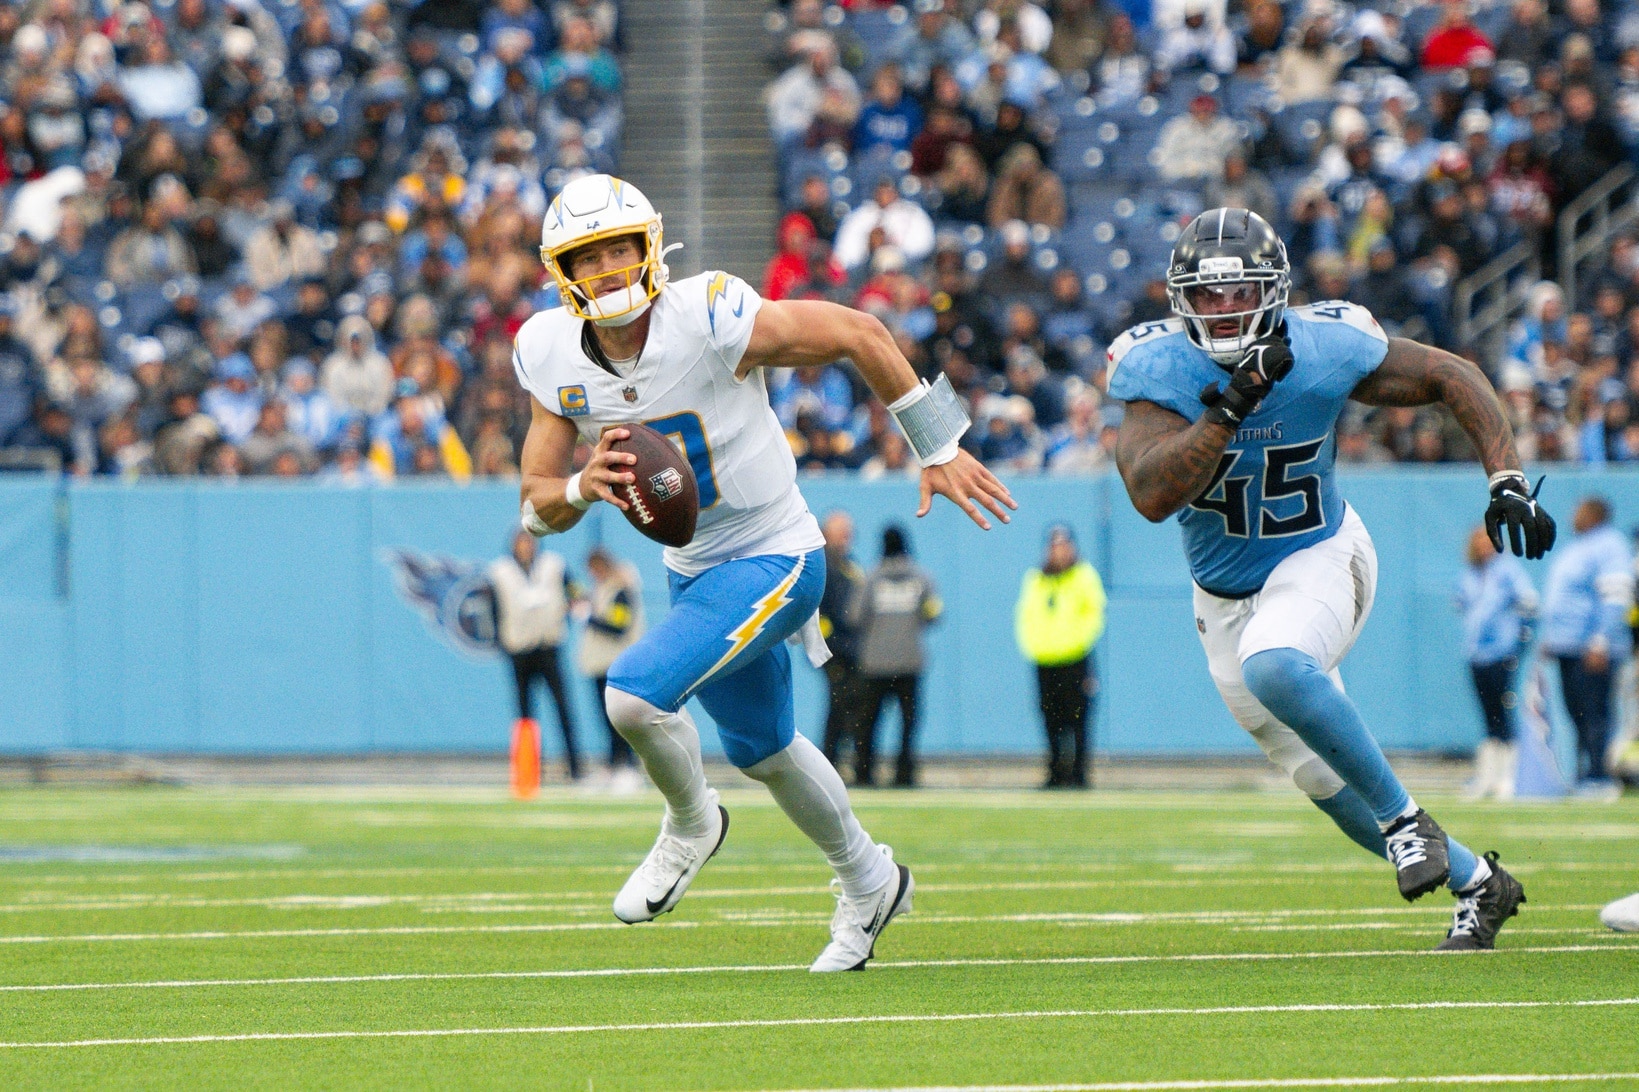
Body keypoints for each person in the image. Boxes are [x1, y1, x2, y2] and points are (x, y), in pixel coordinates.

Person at [514, 174, 1013, 970]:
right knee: (764, 749)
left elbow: (858, 331)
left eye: (619, 248)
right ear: (561, 270)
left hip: (779, 551)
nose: (609, 268)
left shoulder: (708, 312)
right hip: (693, 569)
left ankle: (690, 823)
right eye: (589, 255)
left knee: (634, 696)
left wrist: (939, 444)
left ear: (649, 248)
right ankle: (869, 879)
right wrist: (582, 485)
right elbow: (536, 503)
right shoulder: (546, 352)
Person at [1106, 207, 1556, 951]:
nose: (1223, 309)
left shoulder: (1322, 346)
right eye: (1206, 294)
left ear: (1274, 290)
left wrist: (1504, 475)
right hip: (1218, 599)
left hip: (1319, 554)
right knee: (1325, 784)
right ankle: (1480, 884)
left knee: (1275, 664)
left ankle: (1407, 823)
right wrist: (1234, 404)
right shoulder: (1156, 368)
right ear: (1178, 299)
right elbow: (1152, 495)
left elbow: (1451, 373)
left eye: (1239, 290)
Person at [1541, 496, 1634, 794]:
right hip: (1567, 645)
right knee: (1576, 711)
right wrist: (1552, 637)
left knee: (1594, 711)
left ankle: (1599, 775)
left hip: (1592, 647)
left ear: (1594, 514)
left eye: (1578, 510)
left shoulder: (1610, 545)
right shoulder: (1576, 547)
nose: (1573, 515)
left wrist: (1601, 641)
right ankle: (1584, 772)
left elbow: (1616, 596)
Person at [849, 525, 941, 788]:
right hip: (909, 661)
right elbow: (933, 613)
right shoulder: (922, 578)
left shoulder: (870, 578)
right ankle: (904, 773)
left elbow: (855, 615)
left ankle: (864, 773)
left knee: (869, 723)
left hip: (874, 662)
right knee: (908, 723)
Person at [1016, 525, 1107, 789]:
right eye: (1055, 546)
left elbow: (1093, 613)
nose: (1059, 552)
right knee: (1050, 719)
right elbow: (1026, 614)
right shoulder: (1036, 579)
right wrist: (1033, 645)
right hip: (1044, 659)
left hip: (1076, 659)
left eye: (1064, 546)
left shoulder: (1083, 576)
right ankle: (1055, 772)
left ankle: (1079, 774)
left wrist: (1076, 641)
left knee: (1078, 719)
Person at [489, 529, 581, 782]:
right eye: (521, 543)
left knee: (563, 707)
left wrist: (566, 620)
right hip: (519, 649)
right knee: (524, 713)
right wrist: (502, 642)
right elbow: (493, 609)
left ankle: (575, 767)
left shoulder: (554, 565)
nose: (525, 548)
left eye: (529, 543)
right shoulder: (500, 571)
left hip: (549, 645)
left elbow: (575, 592)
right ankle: (529, 771)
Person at [1456, 526, 1538, 799]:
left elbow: (1529, 603)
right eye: (1479, 541)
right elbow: (1464, 606)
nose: (1484, 546)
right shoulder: (1470, 574)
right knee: (1487, 714)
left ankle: (1509, 777)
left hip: (1502, 653)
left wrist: (1518, 643)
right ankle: (1487, 777)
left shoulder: (1508, 571)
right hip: (1476, 654)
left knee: (1504, 713)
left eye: (1488, 541)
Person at [579, 546, 646, 793]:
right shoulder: (602, 589)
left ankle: (627, 766)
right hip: (600, 664)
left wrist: (589, 618)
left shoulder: (620, 590)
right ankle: (613, 764)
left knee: (620, 719)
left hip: (615, 664)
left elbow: (619, 625)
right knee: (607, 720)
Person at [817, 510, 867, 778]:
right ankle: (830, 764)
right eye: (841, 532)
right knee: (838, 708)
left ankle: (841, 763)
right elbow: (825, 613)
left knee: (848, 708)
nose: (846, 538)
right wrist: (831, 645)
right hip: (835, 651)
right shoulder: (825, 566)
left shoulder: (849, 565)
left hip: (850, 648)